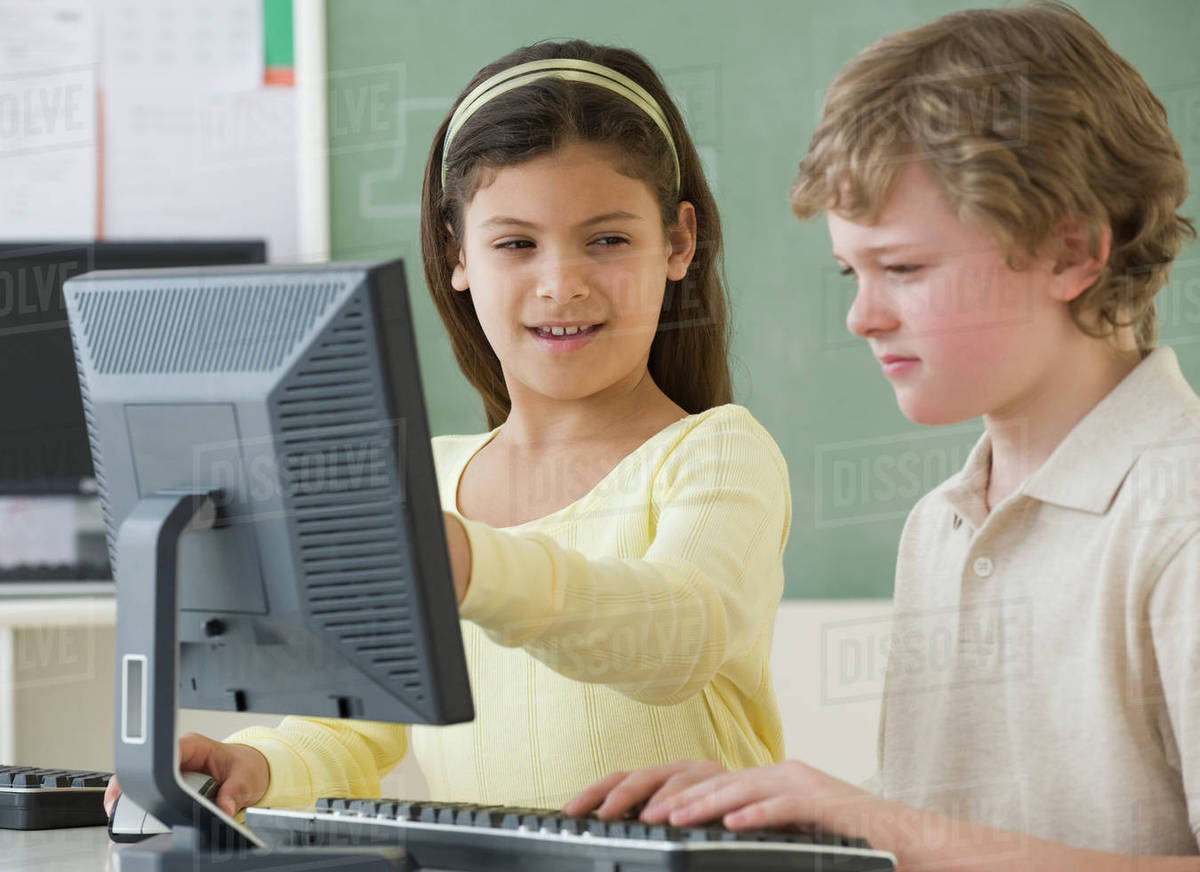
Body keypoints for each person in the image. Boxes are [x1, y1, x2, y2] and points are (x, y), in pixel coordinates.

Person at [566, 3, 1200, 867]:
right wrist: (792, 822)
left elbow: (929, 840)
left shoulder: (1180, 514)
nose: (862, 317)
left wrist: (886, 824)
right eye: (851, 272)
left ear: (1071, 253)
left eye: (904, 268)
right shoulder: (943, 522)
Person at [105, 39, 792, 820]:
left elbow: (678, 633)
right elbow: (360, 732)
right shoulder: (427, 483)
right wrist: (253, 763)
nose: (561, 283)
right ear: (455, 252)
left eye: (608, 239)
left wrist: (471, 564)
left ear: (678, 242)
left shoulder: (717, 453)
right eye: (515, 243)